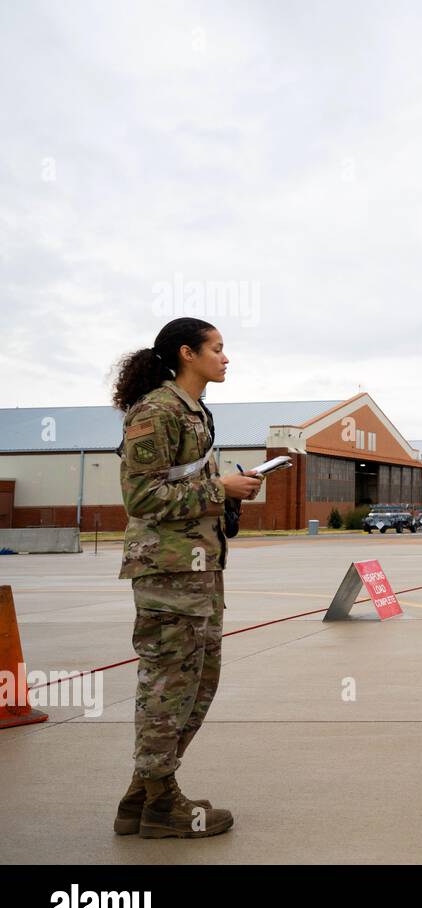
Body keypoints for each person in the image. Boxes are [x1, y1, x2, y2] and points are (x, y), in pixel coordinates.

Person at [110, 317, 263, 838]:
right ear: (187, 353)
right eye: (216, 349)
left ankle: (141, 797)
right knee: (168, 685)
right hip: (167, 570)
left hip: (199, 567)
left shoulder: (195, 412)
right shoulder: (156, 411)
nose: (225, 358)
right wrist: (222, 489)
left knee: (196, 683)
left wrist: (231, 492)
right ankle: (161, 805)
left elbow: (189, 487)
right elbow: (143, 497)